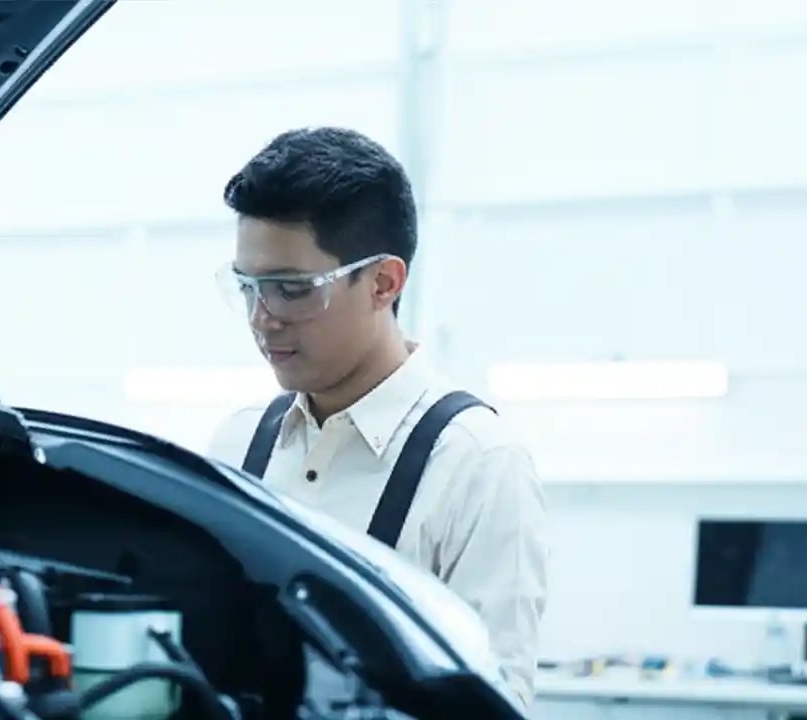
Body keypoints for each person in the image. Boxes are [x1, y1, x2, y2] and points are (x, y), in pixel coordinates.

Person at [206, 126, 550, 708]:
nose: (262, 320)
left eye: (292, 290)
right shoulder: (239, 444)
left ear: (384, 283)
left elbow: (496, 704)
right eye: (249, 288)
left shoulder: (477, 465)